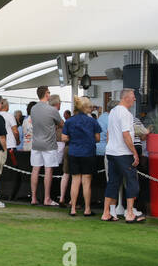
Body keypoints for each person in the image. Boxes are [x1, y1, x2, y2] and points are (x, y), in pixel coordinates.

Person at [102, 89, 144, 223]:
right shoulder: (126, 114)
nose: (134, 99)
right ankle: (130, 213)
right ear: (126, 98)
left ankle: (106, 213)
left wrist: (110, 146)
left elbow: (109, 132)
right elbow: (126, 135)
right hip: (123, 153)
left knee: (113, 182)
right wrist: (135, 153)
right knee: (132, 181)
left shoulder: (113, 111)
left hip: (111, 152)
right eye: (133, 97)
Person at [61, 96, 102, 217]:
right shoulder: (92, 121)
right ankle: (87, 209)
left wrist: (74, 139)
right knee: (86, 182)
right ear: (86, 108)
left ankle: (73, 208)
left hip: (73, 152)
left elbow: (63, 138)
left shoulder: (70, 121)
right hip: (88, 152)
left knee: (75, 181)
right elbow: (98, 138)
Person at [29, 87, 65, 206]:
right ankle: (47, 198)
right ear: (46, 94)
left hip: (36, 143)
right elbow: (62, 124)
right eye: (49, 92)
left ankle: (33, 198)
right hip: (49, 144)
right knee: (48, 170)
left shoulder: (33, 109)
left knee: (35, 169)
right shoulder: (51, 110)